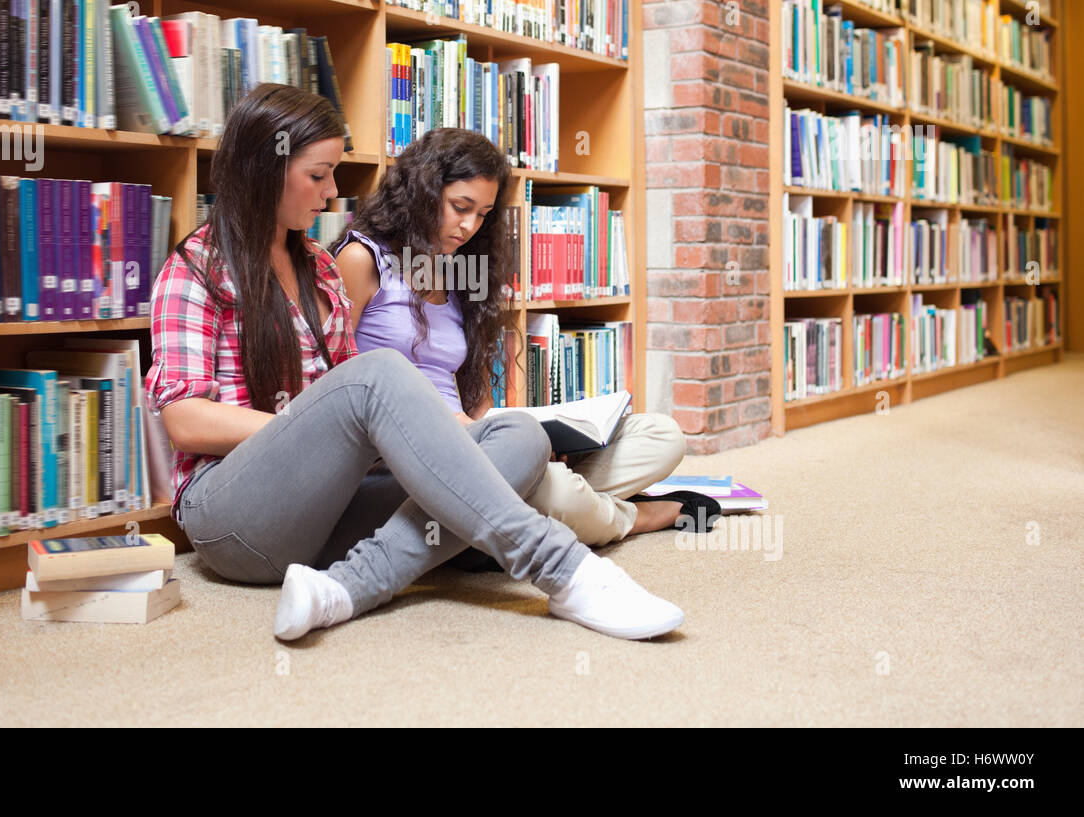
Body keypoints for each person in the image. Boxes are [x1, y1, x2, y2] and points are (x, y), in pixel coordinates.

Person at [145, 84, 686, 642]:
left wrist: (384, 444)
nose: (333, 192)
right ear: (264, 168)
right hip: (232, 517)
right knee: (381, 375)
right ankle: (565, 570)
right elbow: (185, 421)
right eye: (318, 174)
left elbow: (350, 409)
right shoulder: (196, 269)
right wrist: (317, 434)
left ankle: (346, 588)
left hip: (325, 512)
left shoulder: (317, 267)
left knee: (517, 435)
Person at [333, 127, 718, 550]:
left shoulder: (462, 272)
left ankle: (529, 505)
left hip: (477, 444)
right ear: (421, 193)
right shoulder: (362, 260)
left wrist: (532, 438)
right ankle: (637, 515)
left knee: (662, 435)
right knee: (557, 489)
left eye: (483, 214)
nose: (468, 227)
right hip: (406, 459)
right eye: (460, 207)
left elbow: (476, 403)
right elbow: (333, 392)